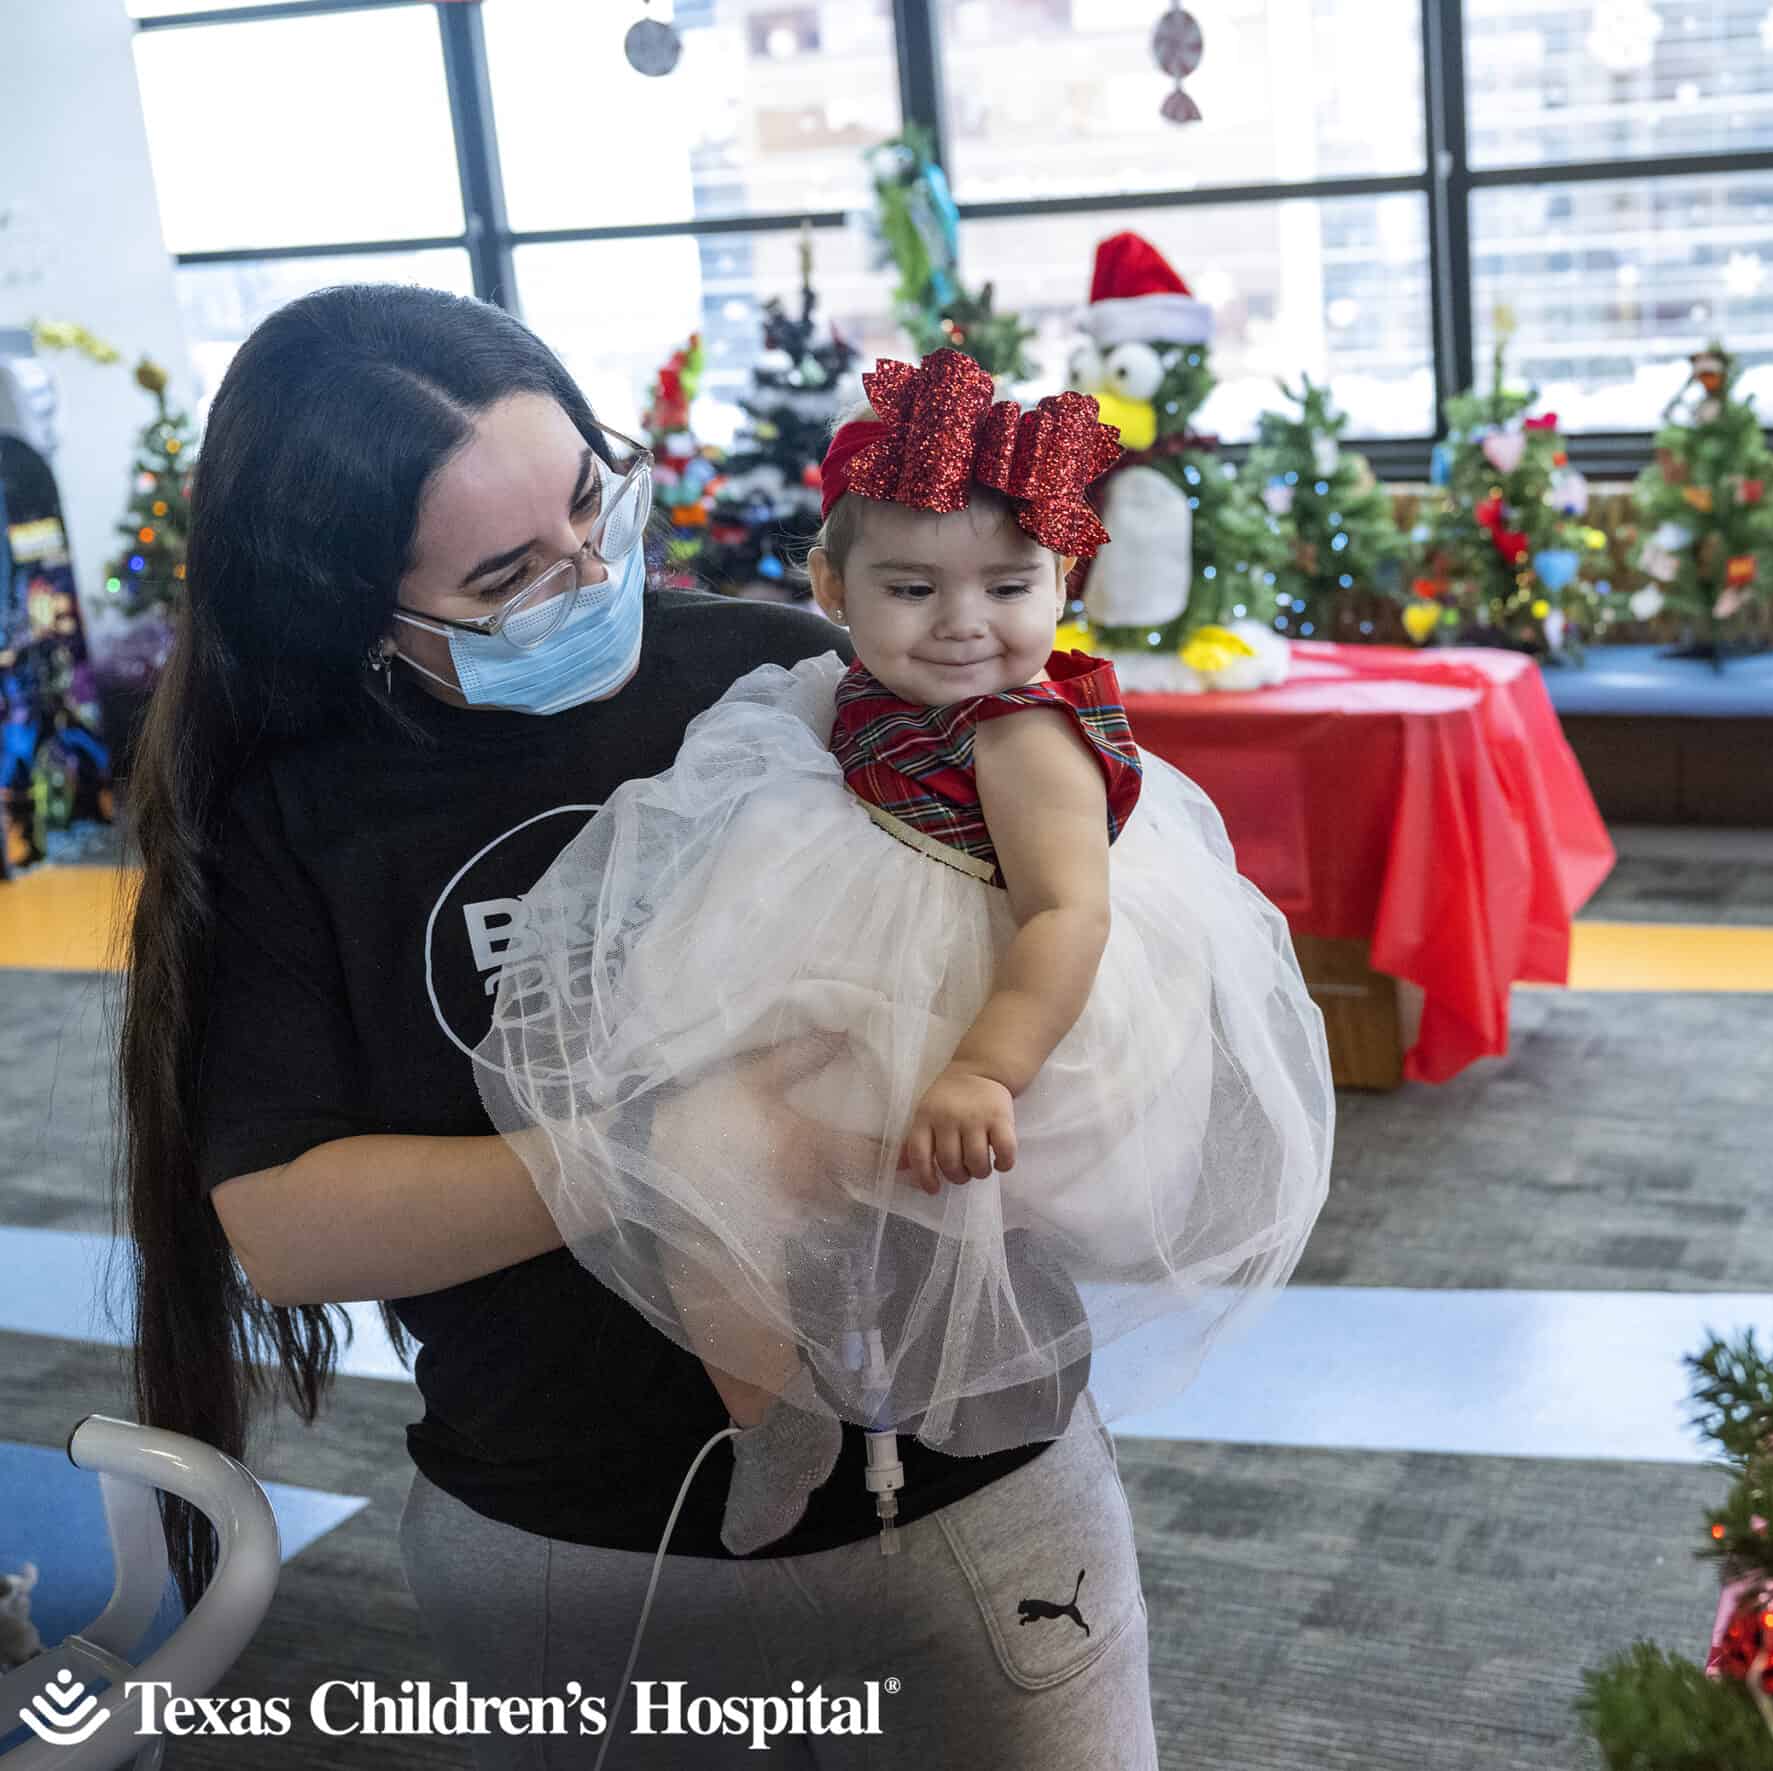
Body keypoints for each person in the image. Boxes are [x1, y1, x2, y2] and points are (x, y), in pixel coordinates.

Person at [115, 286, 1157, 1768]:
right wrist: (667, 1153)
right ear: (351, 603)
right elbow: (286, 1227)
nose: (591, 570)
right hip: (581, 1555)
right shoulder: (289, 815)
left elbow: (1049, 963)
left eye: (595, 502)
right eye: (508, 574)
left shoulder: (792, 672)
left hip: (970, 1498)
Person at [472, 346, 1334, 1564]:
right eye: (914, 588)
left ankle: (875, 1424)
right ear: (832, 585)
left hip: (1006, 1019)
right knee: (705, 1153)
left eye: (1008, 583)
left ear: (1064, 577)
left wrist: (983, 1071)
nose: (966, 624)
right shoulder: (831, 697)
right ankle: (769, 1411)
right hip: (876, 966)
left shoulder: (1027, 736)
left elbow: (1064, 917)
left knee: (745, 1158)